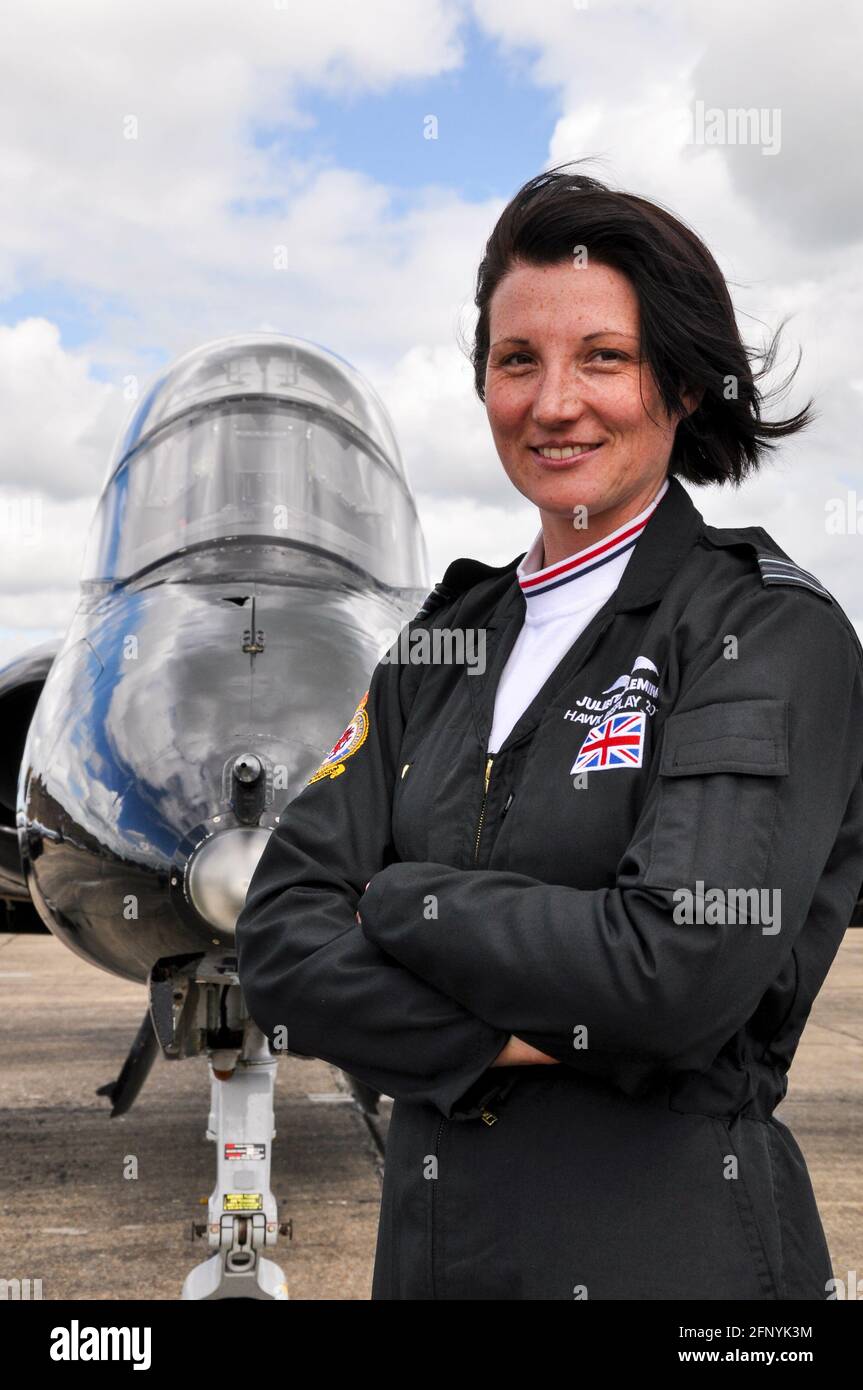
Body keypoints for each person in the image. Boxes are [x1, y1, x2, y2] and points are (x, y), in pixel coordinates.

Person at [235, 165, 863, 1300]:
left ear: (678, 382)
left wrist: (395, 902)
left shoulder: (761, 629)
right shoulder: (444, 642)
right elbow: (278, 941)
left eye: (602, 358)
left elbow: (675, 971)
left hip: (673, 1264)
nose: (553, 401)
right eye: (516, 359)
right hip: (432, 1263)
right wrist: (496, 1038)